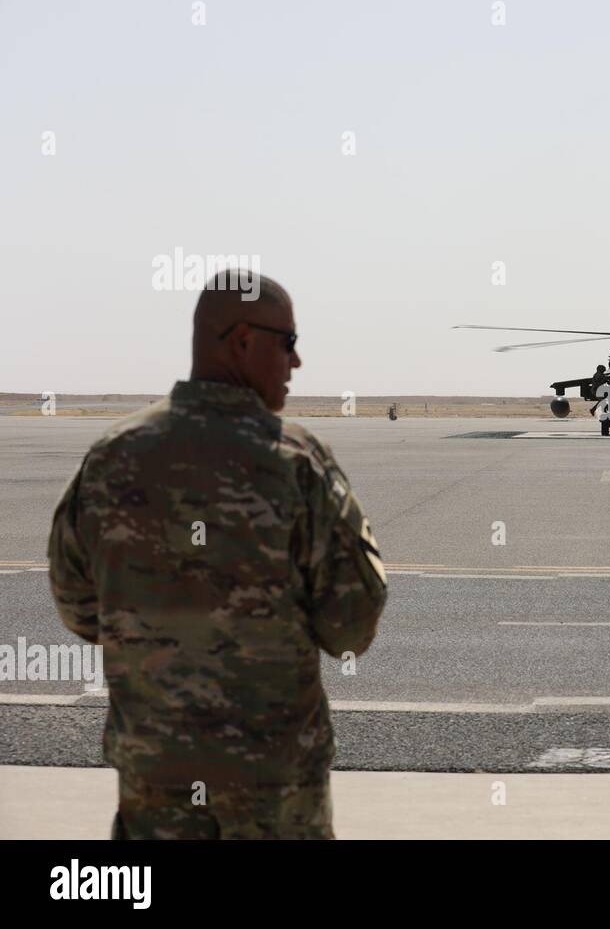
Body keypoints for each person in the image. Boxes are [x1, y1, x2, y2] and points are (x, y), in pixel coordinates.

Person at [47, 270, 387, 839]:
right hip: (275, 800)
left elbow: (79, 610)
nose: (297, 364)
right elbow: (351, 626)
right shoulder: (297, 463)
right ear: (243, 342)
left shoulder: (113, 457)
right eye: (289, 343)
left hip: (156, 792)